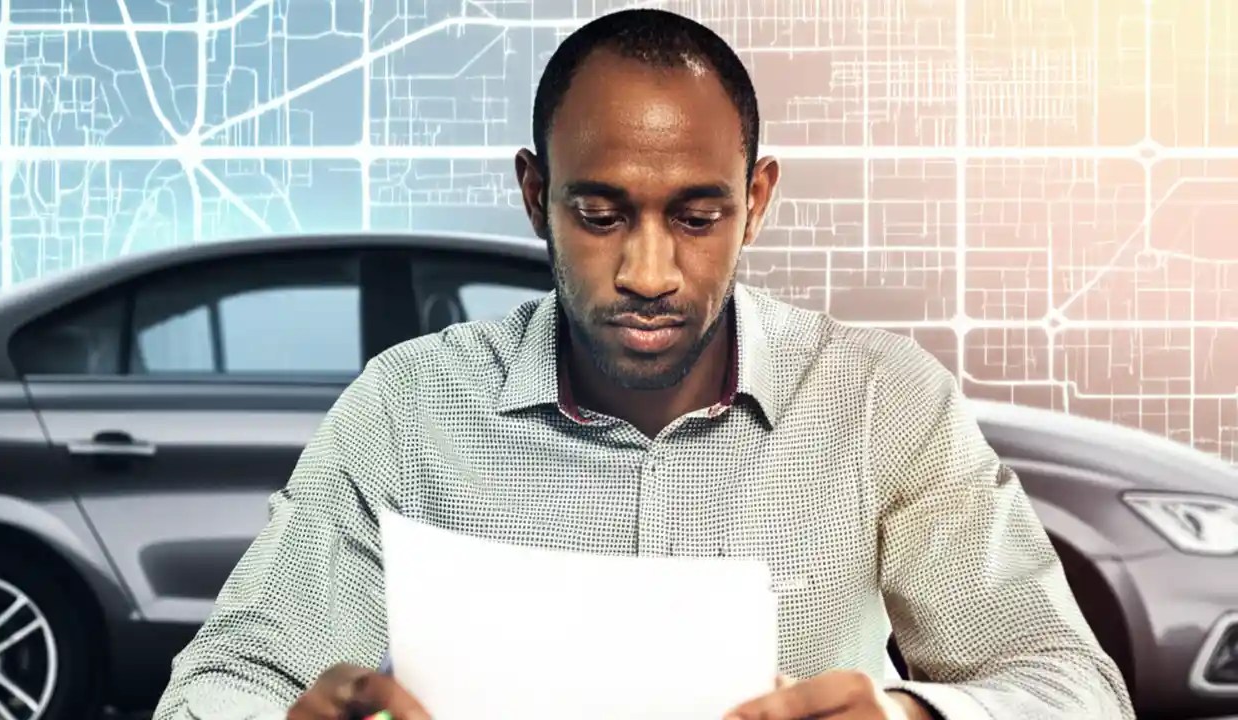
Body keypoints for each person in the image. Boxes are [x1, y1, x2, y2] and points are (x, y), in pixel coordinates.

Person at [152, 8, 1135, 720]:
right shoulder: (407, 409)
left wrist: (908, 716)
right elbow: (216, 688)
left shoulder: (884, 402)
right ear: (534, 196)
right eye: (599, 214)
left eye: (698, 217)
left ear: (756, 200)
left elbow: (1074, 687)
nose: (649, 273)